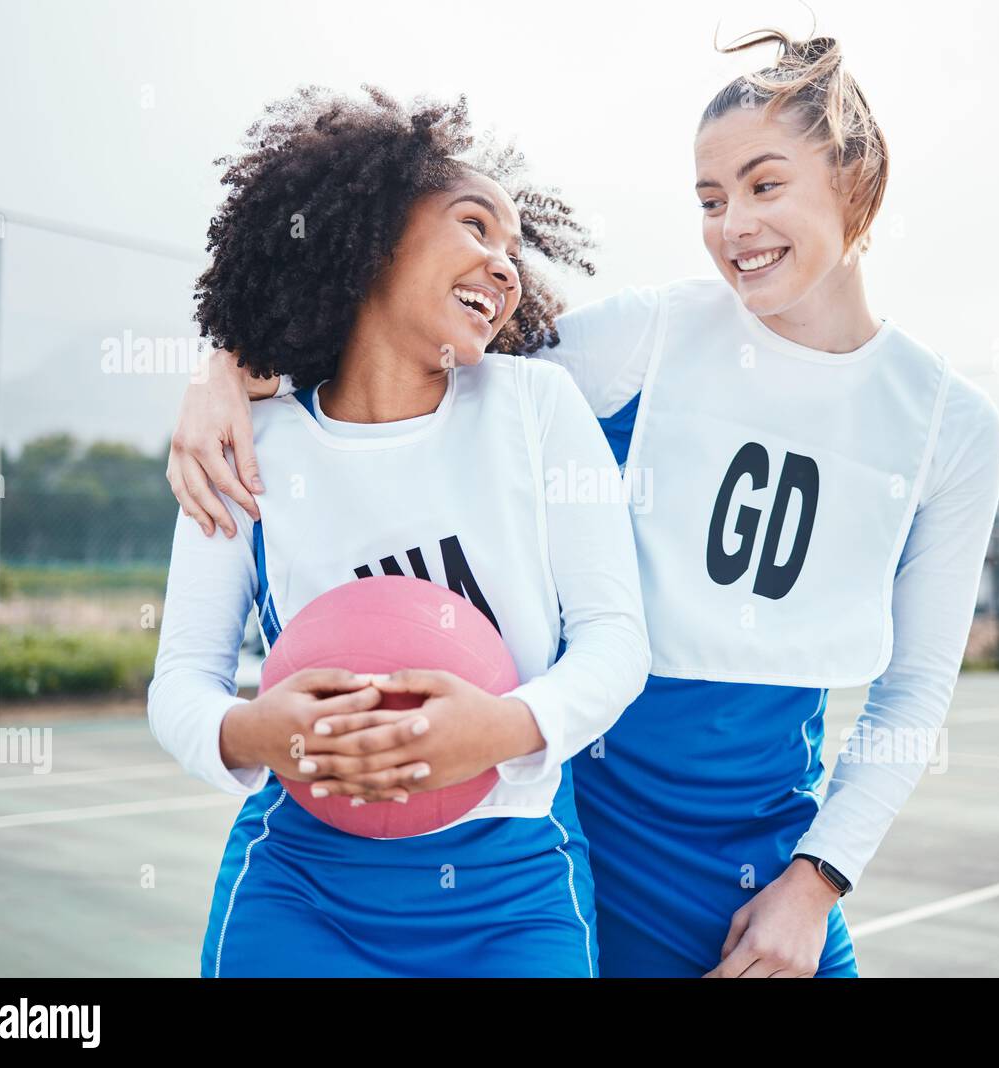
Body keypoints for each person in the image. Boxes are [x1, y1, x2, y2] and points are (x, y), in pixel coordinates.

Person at [167, 31, 999, 978]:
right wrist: (228, 362)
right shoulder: (649, 336)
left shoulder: (950, 426)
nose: (734, 225)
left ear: (854, 177)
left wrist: (817, 884)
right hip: (573, 834)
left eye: (764, 185)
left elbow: (915, 690)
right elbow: (407, 357)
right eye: (710, 200)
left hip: (761, 862)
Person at [148, 87, 649, 977]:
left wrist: (501, 729)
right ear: (374, 234)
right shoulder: (250, 444)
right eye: (475, 226)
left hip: (513, 889)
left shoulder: (536, 406)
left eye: (515, 252)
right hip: (302, 888)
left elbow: (615, 640)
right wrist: (254, 733)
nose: (505, 267)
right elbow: (182, 680)